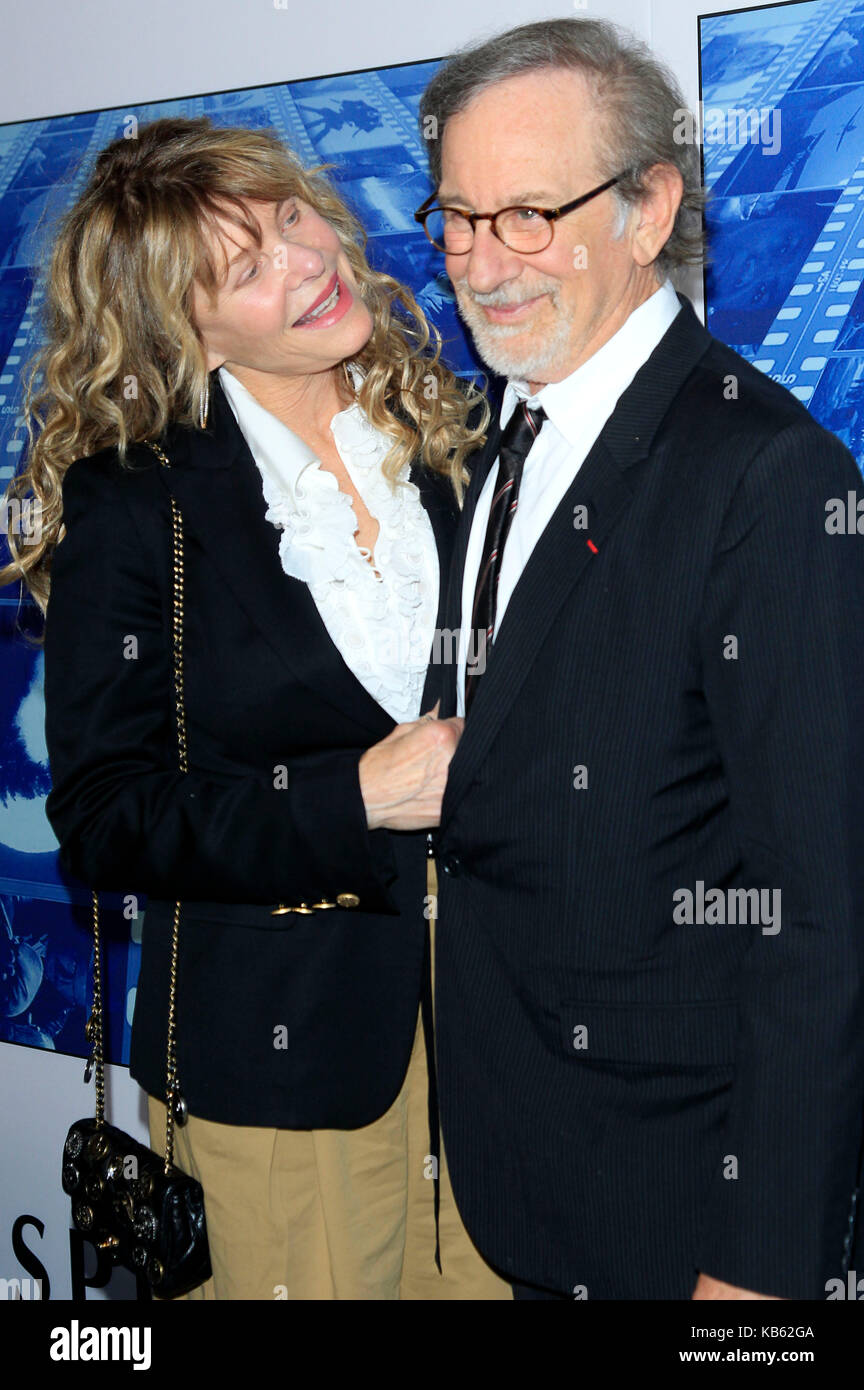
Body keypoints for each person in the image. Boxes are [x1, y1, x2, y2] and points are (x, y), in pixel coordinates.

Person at [0, 116, 512, 1300]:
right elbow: (105, 814)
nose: (308, 258)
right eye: (248, 265)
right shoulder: (135, 505)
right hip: (282, 1056)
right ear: (183, 326)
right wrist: (351, 799)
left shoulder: (448, 430)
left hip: (500, 1033)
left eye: (291, 217)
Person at [416, 17, 864, 1300]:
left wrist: (761, 1275)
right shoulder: (500, 430)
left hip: (682, 1229)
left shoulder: (769, 478)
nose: (481, 264)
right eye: (457, 215)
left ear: (651, 205)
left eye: (530, 215)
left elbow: (820, 918)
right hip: (523, 1194)